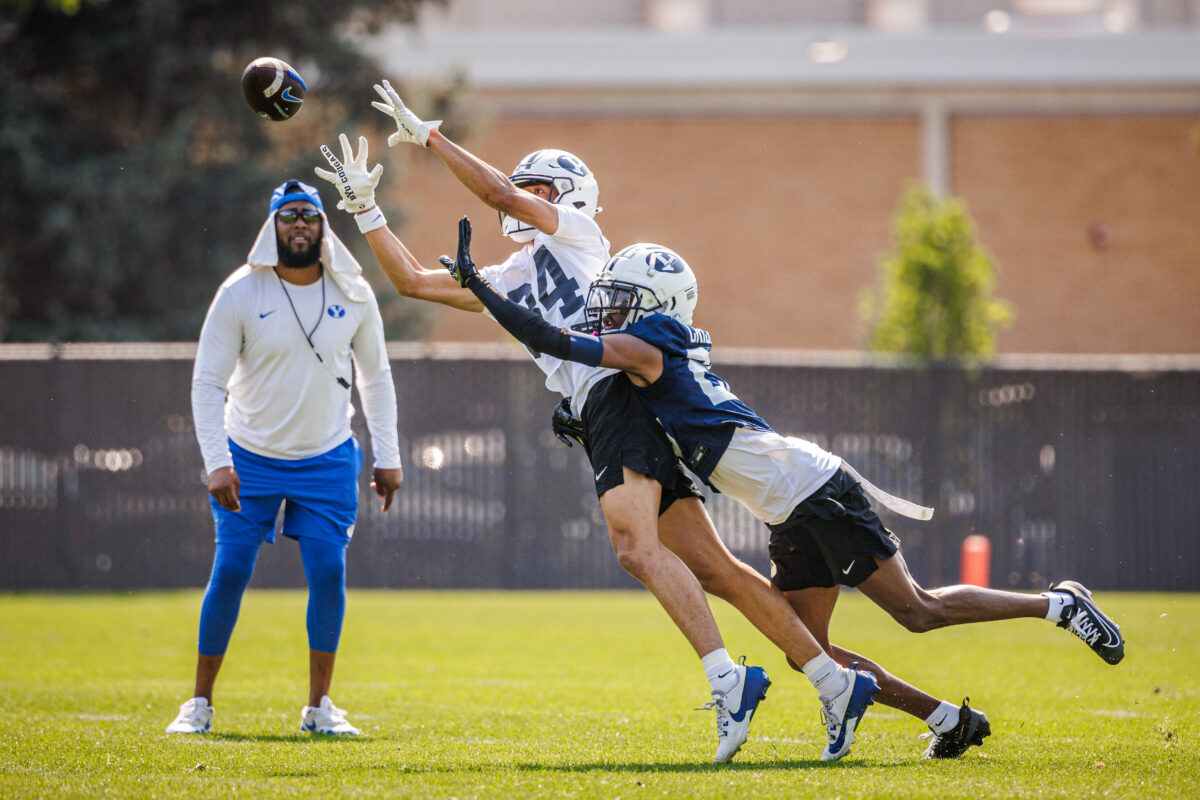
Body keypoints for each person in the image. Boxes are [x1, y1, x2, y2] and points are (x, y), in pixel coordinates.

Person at [311, 82, 878, 764]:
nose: (527, 197)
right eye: (528, 187)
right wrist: (365, 208)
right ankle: (833, 681)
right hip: (603, 406)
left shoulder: (580, 236)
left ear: (569, 198)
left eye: (540, 190)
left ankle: (728, 681)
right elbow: (408, 281)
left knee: (635, 549)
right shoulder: (508, 274)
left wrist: (431, 136)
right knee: (714, 566)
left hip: (616, 393)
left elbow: (498, 195)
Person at [444, 228, 1128, 760]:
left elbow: (553, 338)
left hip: (814, 490)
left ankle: (1057, 604)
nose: (609, 311)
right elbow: (629, 413)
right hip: (783, 511)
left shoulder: (650, 344)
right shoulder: (649, 356)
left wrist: (483, 288)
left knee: (918, 611)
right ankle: (949, 720)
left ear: (655, 307)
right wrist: (578, 412)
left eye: (622, 300)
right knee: (810, 650)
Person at [166, 179, 404, 736]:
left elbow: (376, 378)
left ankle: (320, 709)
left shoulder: (354, 292)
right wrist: (217, 462)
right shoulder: (240, 292)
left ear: (323, 227)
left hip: (327, 456)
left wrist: (388, 456)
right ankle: (198, 705)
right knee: (231, 570)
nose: (300, 224)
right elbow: (207, 382)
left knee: (328, 572)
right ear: (272, 226)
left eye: (309, 216)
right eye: (289, 215)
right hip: (249, 456)